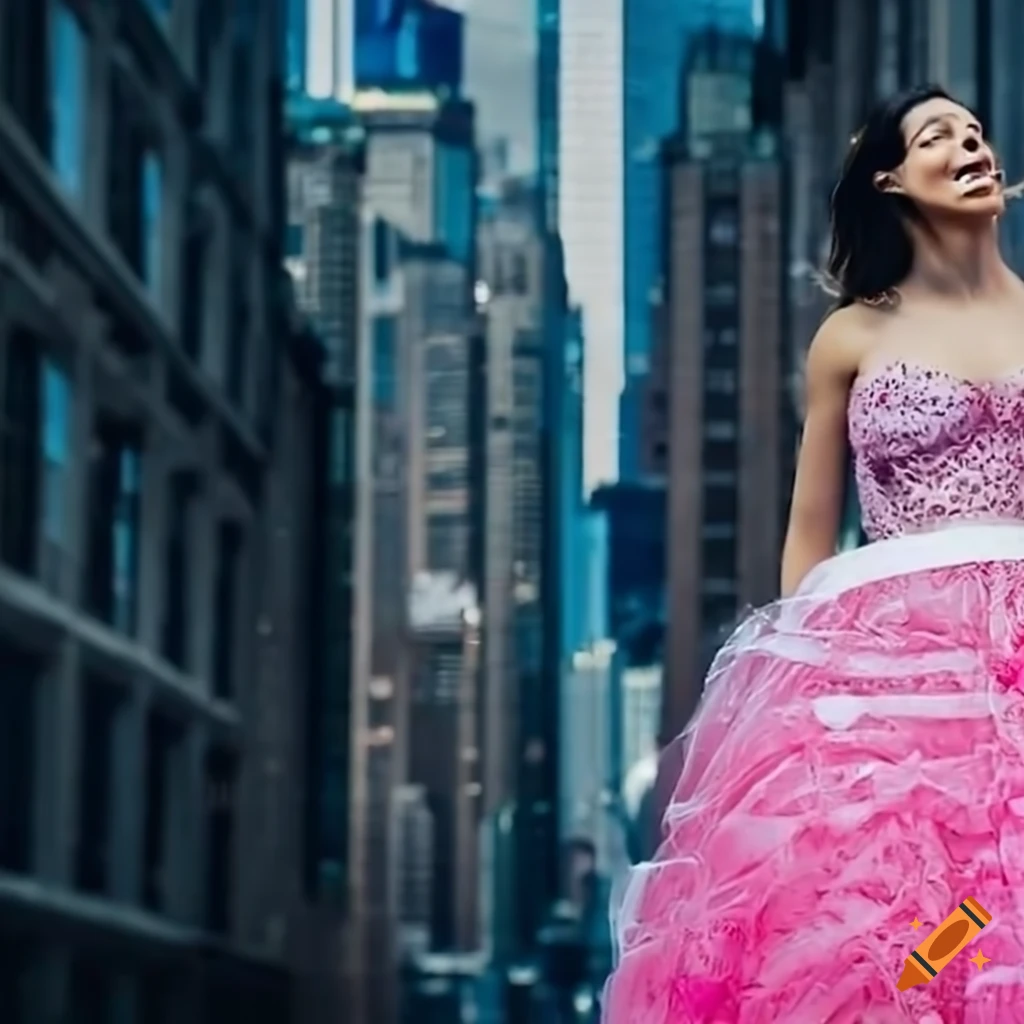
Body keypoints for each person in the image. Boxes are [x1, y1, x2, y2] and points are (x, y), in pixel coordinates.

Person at [603, 85, 1024, 1023]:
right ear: (891, 178)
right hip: (895, 665)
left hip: (1020, 651)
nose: (969, 144)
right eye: (937, 136)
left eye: (975, 131)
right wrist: (804, 703)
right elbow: (810, 532)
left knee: (1011, 877)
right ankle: (926, 993)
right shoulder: (853, 334)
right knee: (902, 908)